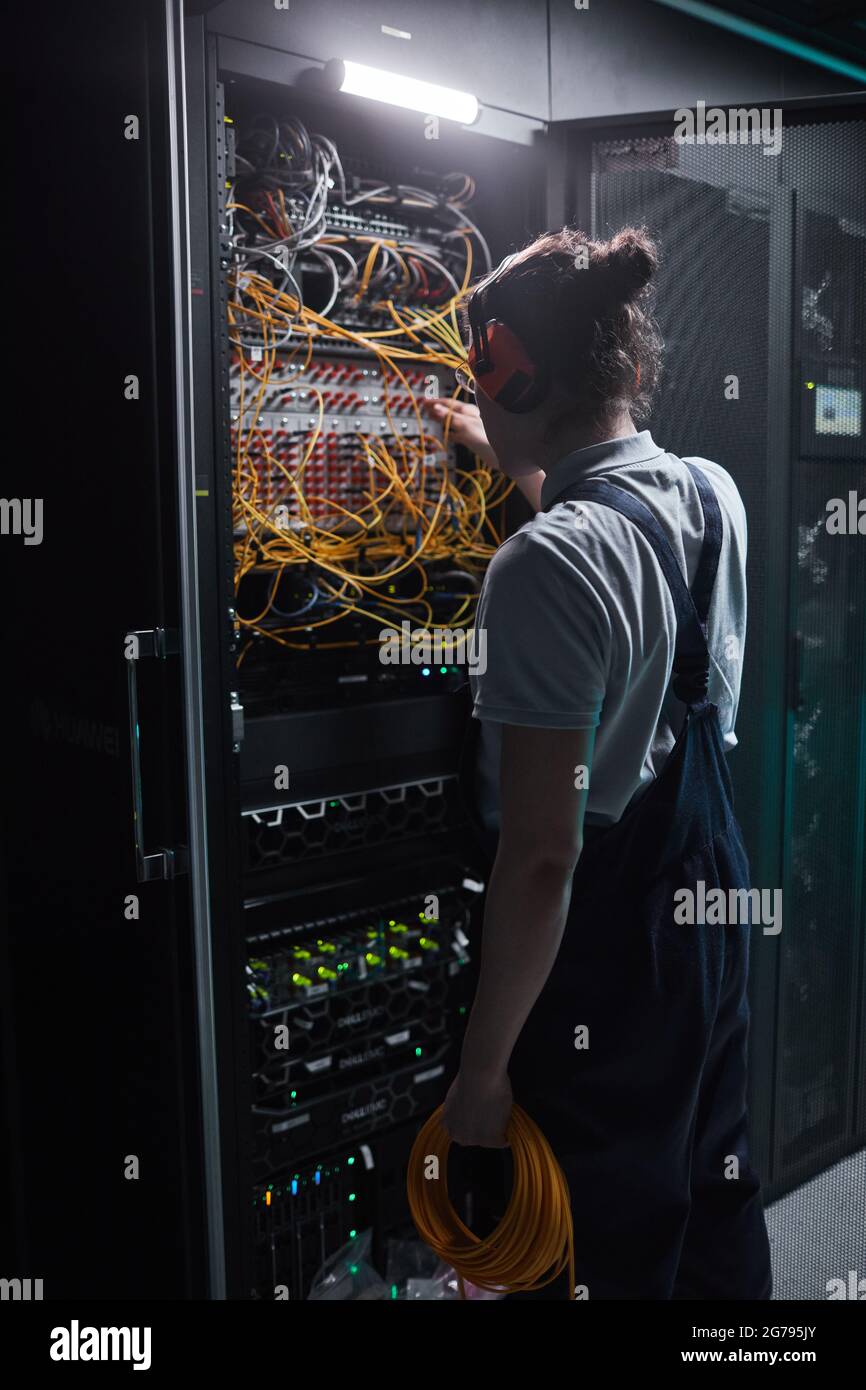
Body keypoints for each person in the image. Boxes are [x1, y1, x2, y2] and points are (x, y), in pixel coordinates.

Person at [422, 226, 772, 1300]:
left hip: (600, 952)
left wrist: (481, 1081)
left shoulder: (542, 567)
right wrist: (506, 452)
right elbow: (618, 565)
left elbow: (540, 859)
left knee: (594, 1237)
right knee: (705, 1192)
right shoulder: (709, 497)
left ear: (511, 367)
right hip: (702, 917)